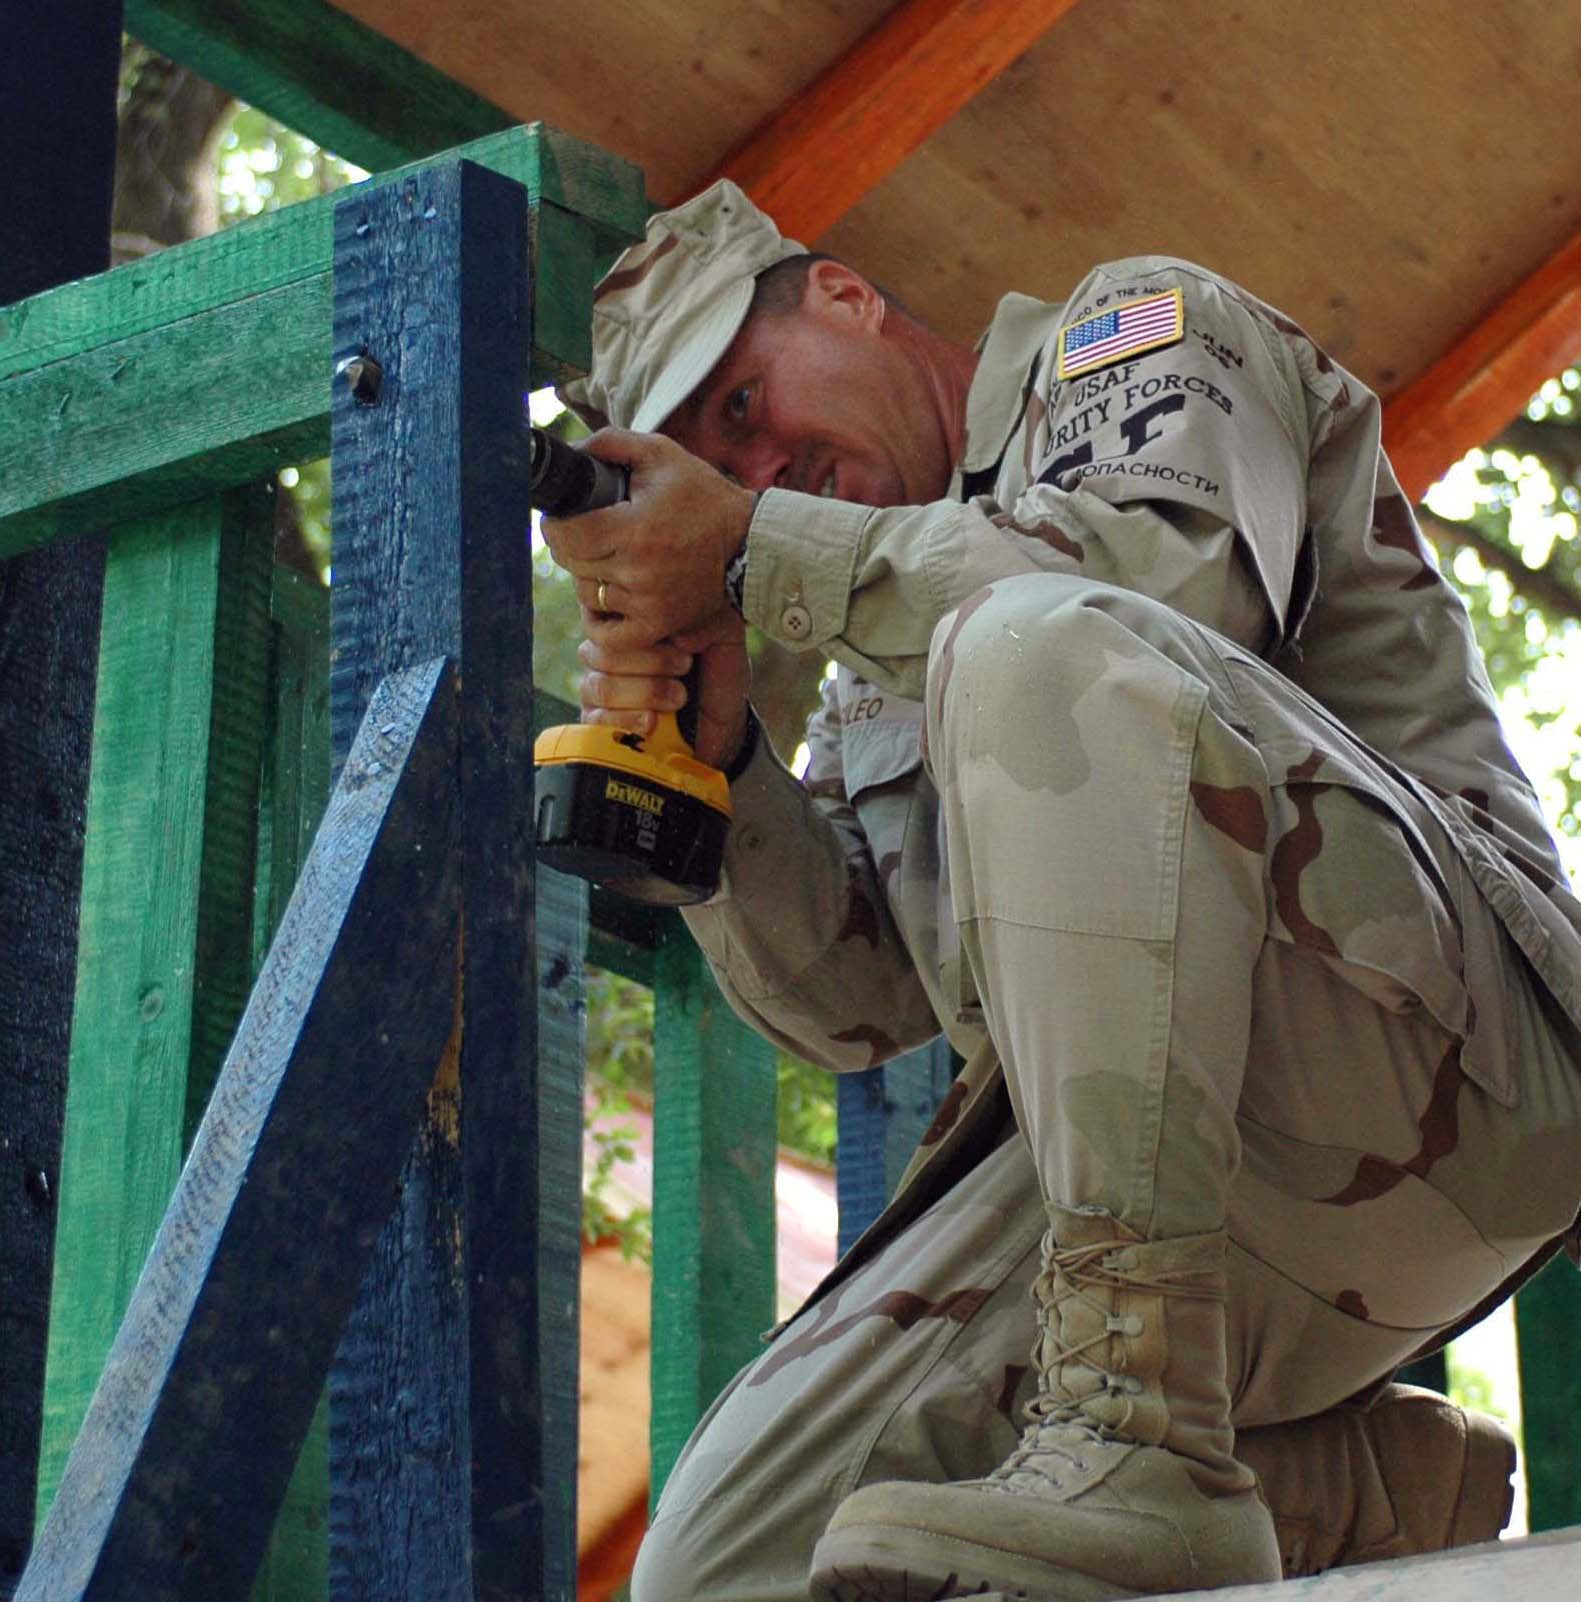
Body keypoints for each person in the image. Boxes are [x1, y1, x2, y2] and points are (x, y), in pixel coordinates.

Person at [543, 181, 1581, 1602]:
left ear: (842, 297)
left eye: (743, 404)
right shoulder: (874, 672)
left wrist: (747, 548)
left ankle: (1135, 1437)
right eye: (719, 460)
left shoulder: (1131, 331)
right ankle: (1340, 1487)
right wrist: (728, 773)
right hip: (1181, 1204)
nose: (764, 462)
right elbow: (854, 1008)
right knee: (726, 1566)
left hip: (1444, 1073)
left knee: (1033, 639)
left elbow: (1162, 593)